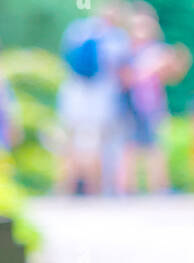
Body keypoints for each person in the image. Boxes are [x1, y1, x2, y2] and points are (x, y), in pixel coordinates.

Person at [57, 4, 131, 195]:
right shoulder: (118, 38)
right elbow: (122, 72)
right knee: (97, 143)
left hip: (75, 94)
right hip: (101, 98)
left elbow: (66, 59)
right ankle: (94, 189)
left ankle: (69, 187)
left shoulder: (77, 30)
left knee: (73, 141)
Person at [118, 5, 188, 194]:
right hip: (130, 104)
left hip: (152, 104)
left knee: (155, 146)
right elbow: (123, 78)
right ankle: (127, 188)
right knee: (130, 146)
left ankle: (159, 187)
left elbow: (172, 77)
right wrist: (147, 71)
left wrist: (173, 65)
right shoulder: (125, 50)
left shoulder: (157, 50)